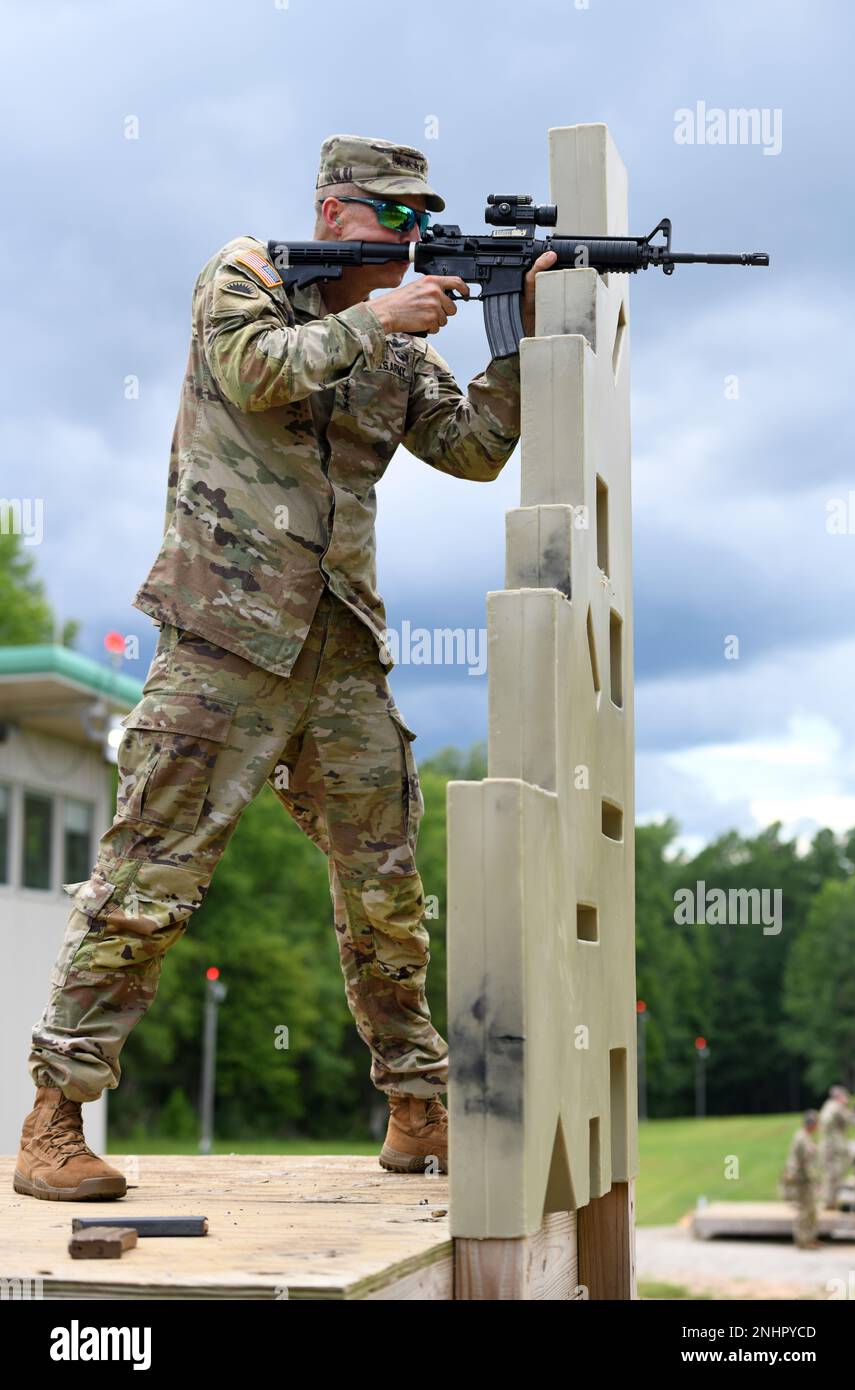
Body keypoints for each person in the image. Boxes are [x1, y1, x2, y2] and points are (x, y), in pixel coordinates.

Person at [16, 134, 556, 1200]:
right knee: (147, 881)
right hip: (224, 637)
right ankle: (54, 1119)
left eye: (419, 225)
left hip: (339, 647)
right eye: (388, 220)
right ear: (332, 210)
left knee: (387, 890)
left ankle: (414, 1105)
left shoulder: (400, 347)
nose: (404, 243)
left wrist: (520, 343)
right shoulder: (247, 275)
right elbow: (251, 371)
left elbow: (472, 449)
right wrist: (370, 321)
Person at [780, 1110, 820, 1250]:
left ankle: (809, 1238)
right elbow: (806, 1163)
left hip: (802, 1179)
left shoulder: (802, 1135)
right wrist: (815, 1181)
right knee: (805, 1210)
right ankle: (803, 1241)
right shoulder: (803, 1138)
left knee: (809, 1210)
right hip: (802, 1181)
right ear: (812, 1124)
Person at [818, 1084, 855, 1209]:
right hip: (834, 1146)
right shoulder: (837, 1107)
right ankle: (830, 1201)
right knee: (835, 1173)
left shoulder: (827, 1106)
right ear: (839, 1097)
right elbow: (850, 1120)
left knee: (830, 1173)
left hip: (827, 1145)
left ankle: (829, 1201)